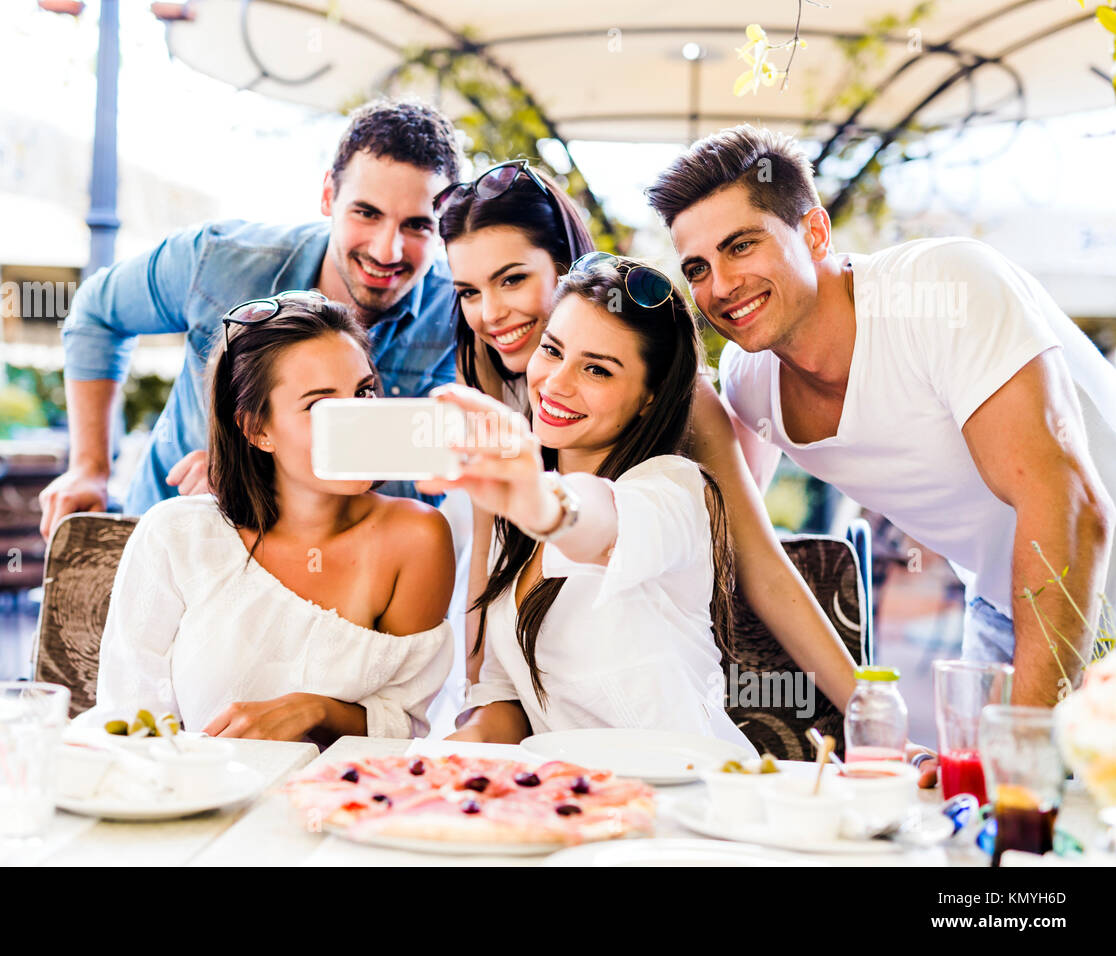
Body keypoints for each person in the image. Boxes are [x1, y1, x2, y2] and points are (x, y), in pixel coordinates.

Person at [648, 125, 1116, 709]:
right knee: (973, 797)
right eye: (696, 268)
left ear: (815, 232)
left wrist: (1024, 744)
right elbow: (738, 539)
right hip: (1005, 600)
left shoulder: (945, 288)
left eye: (742, 245)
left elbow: (1071, 508)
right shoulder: (750, 380)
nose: (719, 286)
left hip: (1087, 581)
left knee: (1038, 789)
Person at [438, 159, 862, 724]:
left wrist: (868, 710)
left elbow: (744, 556)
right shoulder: (490, 373)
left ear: (564, 270)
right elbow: (488, 613)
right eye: (469, 291)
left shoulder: (677, 442)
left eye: (512, 279)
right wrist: (477, 711)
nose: (490, 314)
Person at [38, 98, 462, 536]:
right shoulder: (219, 259)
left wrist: (247, 478)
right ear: (327, 196)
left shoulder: (462, 311)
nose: (386, 250)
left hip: (354, 581)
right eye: (366, 213)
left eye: (417, 226)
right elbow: (95, 313)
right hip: (170, 553)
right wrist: (89, 466)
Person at [88, 294, 456, 742]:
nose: (359, 419)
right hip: (193, 797)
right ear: (256, 429)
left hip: (349, 801)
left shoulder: (417, 539)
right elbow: (129, 722)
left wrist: (315, 711)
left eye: (363, 392)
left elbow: (404, 726)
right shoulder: (174, 536)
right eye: (321, 406)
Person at [423, 256, 755, 751]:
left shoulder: (677, 490)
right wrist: (455, 752)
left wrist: (540, 501)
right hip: (573, 804)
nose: (556, 383)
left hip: (690, 802)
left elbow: (599, 523)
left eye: (597, 369)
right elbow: (507, 701)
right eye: (552, 351)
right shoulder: (512, 516)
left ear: (650, 396)